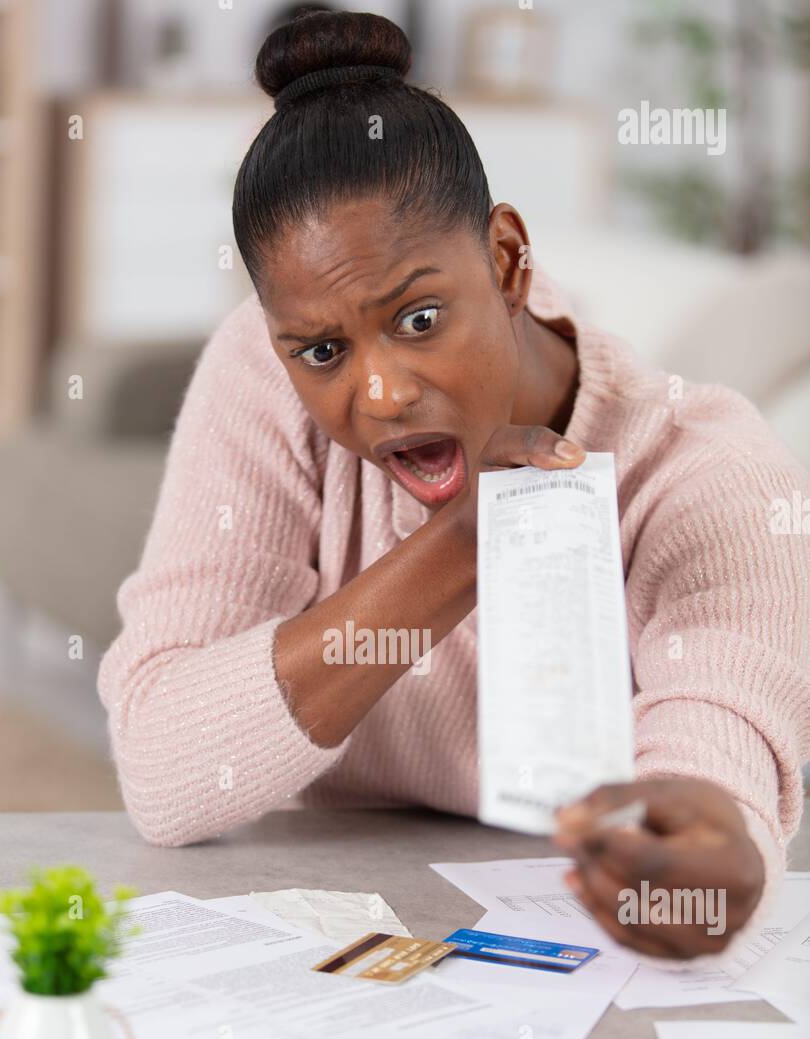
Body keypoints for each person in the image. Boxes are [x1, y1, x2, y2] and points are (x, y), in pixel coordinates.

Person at [98, 10, 810, 959]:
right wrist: (464, 548)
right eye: (321, 350)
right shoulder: (258, 381)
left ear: (509, 260)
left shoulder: (697, 464)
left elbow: (719, 777)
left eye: (421, 316)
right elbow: (162, 770)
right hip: (338, 935)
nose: (381, 393)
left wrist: (709, 868)